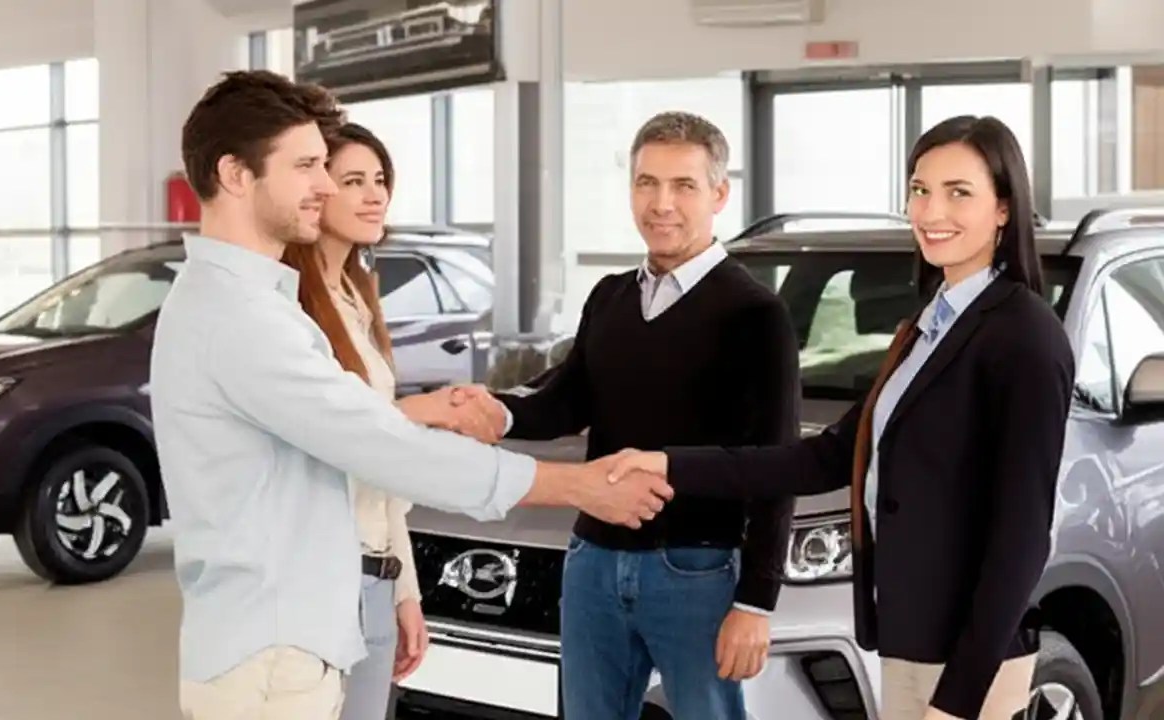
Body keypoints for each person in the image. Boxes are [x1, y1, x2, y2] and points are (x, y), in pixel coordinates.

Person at [150, 70, 675, 720]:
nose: (324, 183)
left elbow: (354, 439)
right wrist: (579, 486)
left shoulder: (248, 305)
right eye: (308, 165)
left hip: (289, 636)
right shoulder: (240, 318)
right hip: (271, 653)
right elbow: (385, 449)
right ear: (235, 174)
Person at [608, 115, 1076, 720]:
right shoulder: (931, 325)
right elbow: (823, 456)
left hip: (966, 665)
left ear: (1004, 208)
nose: (932, 211)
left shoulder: (1025, 336)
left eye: (959, 193)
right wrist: (669, 463)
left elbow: (1021, 541)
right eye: (920, 189)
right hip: (911, 641)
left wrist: (957, 702)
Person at [458, 111, 800, 720]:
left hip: (695, 570)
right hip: (592, 561)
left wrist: (756, 602)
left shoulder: (754, 313)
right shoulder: (611, 295)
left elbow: (777, 465)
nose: (661, 203)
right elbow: (567, 400)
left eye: (683, 185)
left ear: (719, 194)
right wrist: (497, 413)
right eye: (646, 183)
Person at [279, 122, 429, 720]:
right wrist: (427, 413)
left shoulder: (358, 297)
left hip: (375, 579)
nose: (375, 196)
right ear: (317, 190)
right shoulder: (288, 307)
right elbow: (338, 437)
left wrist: (405, 592)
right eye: (353, 181)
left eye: (380, 180)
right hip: (319, 583)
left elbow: (384, 469)